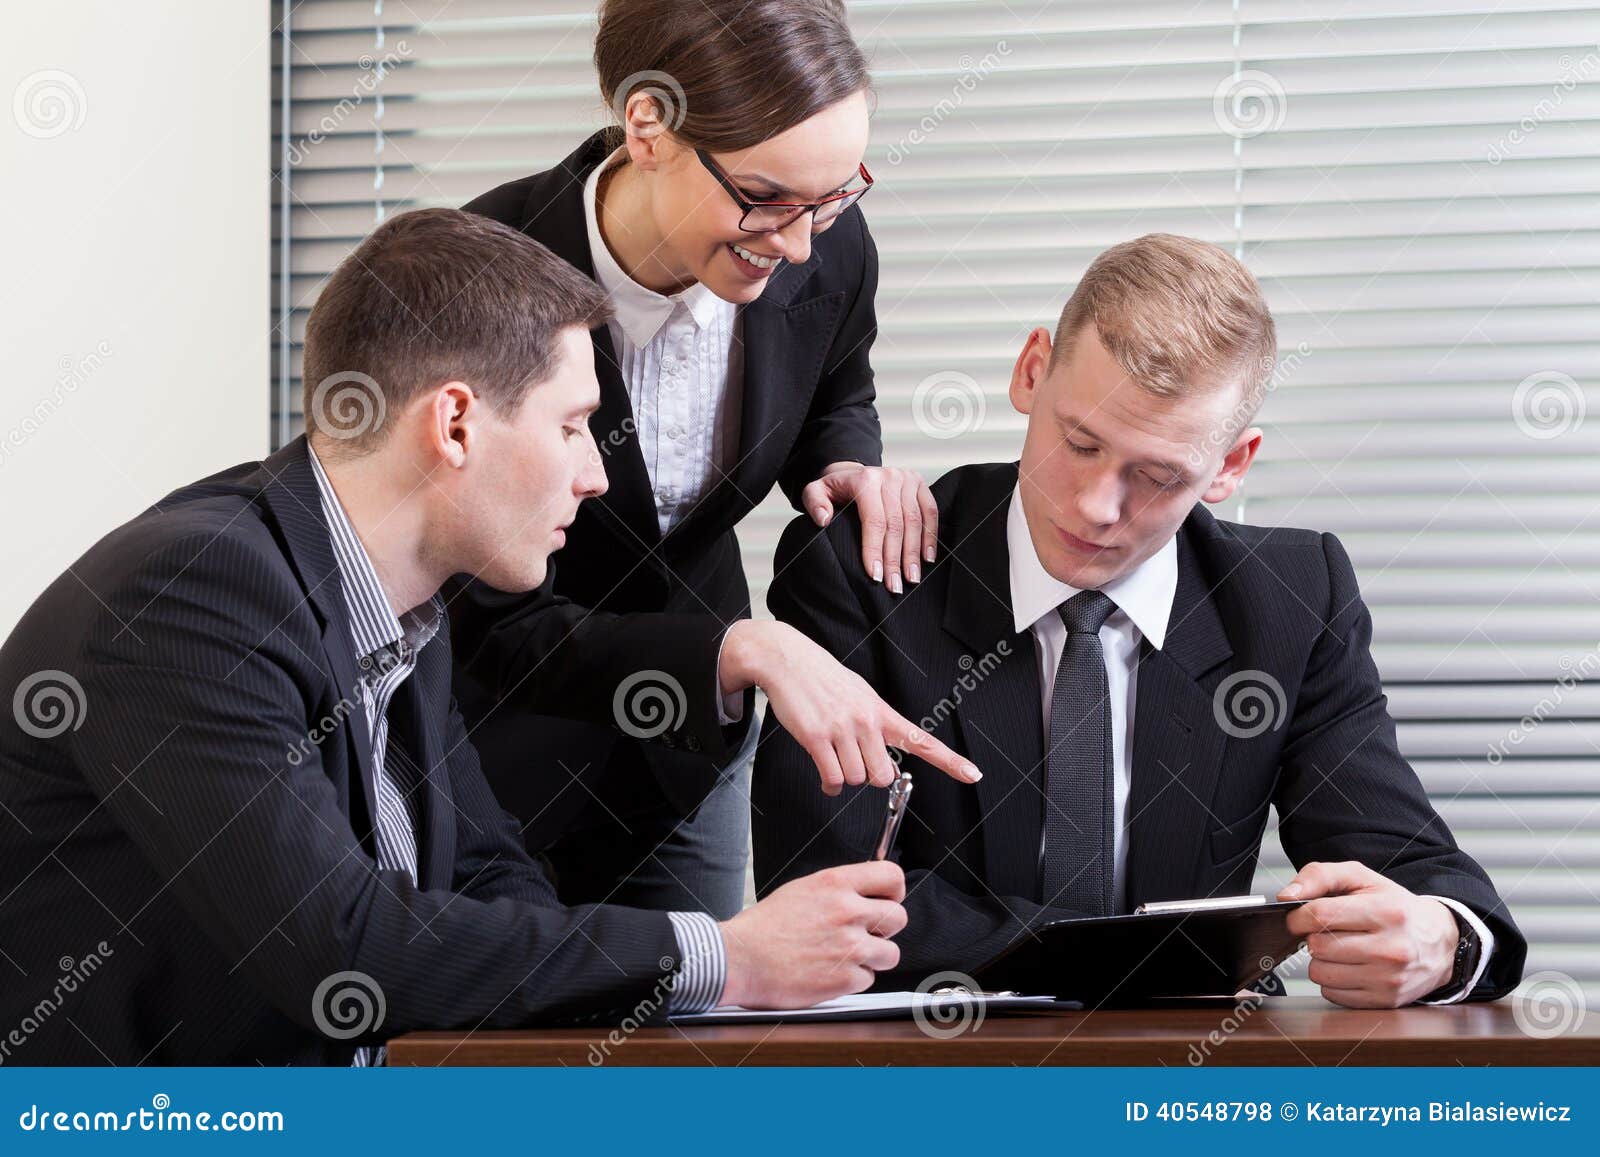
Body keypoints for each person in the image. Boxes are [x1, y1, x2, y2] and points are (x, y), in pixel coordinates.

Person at [0, 209, 910, 1065]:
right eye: (571, 424)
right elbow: (341, 948)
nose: (597, 473)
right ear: (455, 423)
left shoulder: (412, 603)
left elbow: (488, 878)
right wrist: (727, 953)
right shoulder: (194, 594)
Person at [752, 234, 1527, 1007]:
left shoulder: (1294, 600)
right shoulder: (867, 573)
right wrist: (1131, 960)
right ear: (1031, 372)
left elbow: (1410, 864)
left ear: (1230, 465)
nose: (1096, 507)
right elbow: (822, 893)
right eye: (1079, 442)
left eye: (1157, 476)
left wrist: (1444, 941)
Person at [448, 0, 973, 920]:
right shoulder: (482, 278)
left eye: (834, 194)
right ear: (647, 123)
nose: (802, 242)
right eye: (765, 199)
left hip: (691, 756)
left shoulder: (826, 244)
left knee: (689, 1049)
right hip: (498, 763)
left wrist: (842, 460)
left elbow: (837, 384)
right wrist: (730, 652)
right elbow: (485, 619)